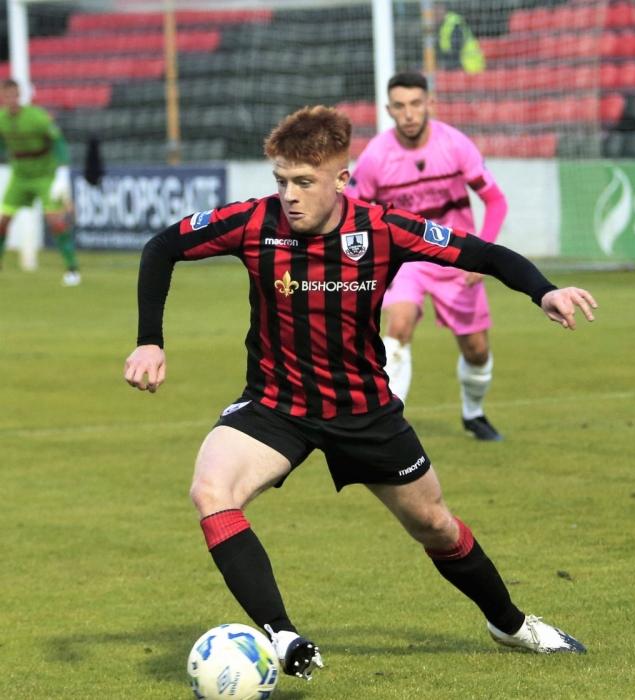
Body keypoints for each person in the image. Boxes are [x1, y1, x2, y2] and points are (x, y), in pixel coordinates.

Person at [123, 106, 595, 681]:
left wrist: (544, 291)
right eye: (281, 180)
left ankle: (511, 625)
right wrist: (150, 341)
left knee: (435, 525)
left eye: (304, 182)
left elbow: (484, 254)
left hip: (363, 411)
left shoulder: (382, 228)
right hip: (276, 405)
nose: (289, 195)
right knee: (211, 491)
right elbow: (162, 247)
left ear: (342, 179)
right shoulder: (253, 222)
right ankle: (283, 635)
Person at [346, 71, 508, 441]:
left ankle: (473, 413)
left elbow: (496, 201)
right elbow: (352, 213)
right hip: (407, 260)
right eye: (400, 106)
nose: (408, 113)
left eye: (416, 104)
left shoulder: (455, 145)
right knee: (399, 326)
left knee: (477, 350)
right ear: (388, 110)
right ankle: (386, 425)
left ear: (430, 104)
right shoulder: (375, 157)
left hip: (457, 256)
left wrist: (482, 254)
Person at [0, 79, 79, 284]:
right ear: (2, 97)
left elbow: (58, 140)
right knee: (3, 221)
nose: (11, 99)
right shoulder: (2, 119)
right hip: (20, 176)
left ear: (19, 95)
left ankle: (72, 268)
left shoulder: (36, 117)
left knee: (55, 221)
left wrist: (61, 171)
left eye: (14, 95)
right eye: (7, 96)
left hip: (44, 175)